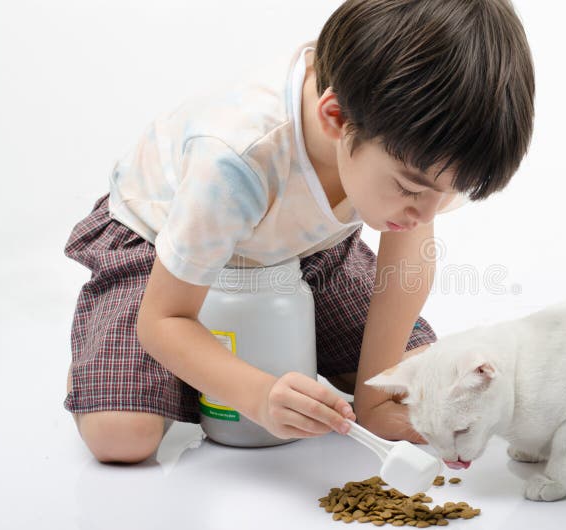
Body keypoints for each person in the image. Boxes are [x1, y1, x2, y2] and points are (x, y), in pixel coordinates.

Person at [63, 0, 535, 464]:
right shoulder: (235, 158)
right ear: (336, 118)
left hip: (305, 251)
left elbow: (403, 268)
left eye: (450, 192)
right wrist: (258, 394)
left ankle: (208, 363)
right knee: (122, 436)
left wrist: (373, 404)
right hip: (160, 254)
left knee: (417, 378)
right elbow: (163, 319)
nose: (426, 212)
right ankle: (116, 366)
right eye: (411, 188)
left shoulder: (408, 141)